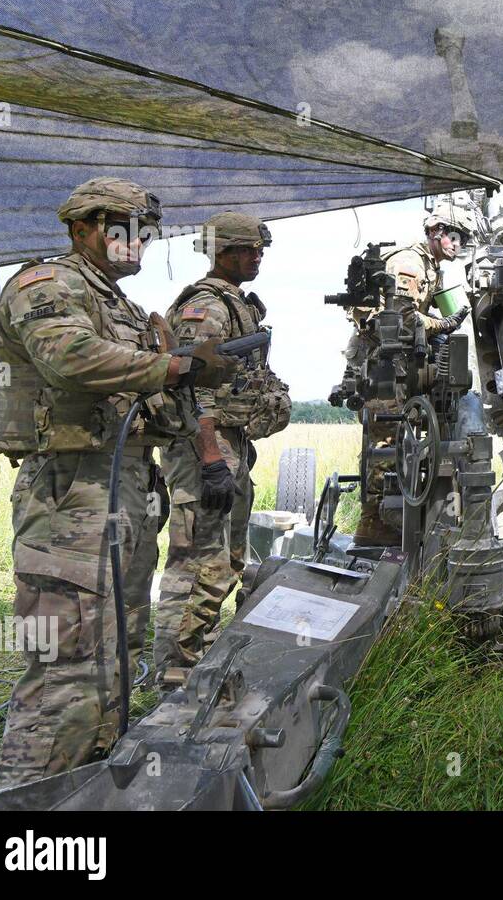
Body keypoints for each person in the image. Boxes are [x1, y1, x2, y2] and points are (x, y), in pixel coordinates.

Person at [0, 178, 235, 786]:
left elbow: (151, 405)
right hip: (71, 494)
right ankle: (27, 808)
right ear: (81, 229)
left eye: (144, 233)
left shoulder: (124, 310)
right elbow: (66, 359)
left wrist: (185, 382)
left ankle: (94, 792)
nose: (137, 243)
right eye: (121, 228)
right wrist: (170, 364)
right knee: (66, 665)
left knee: (118, 649)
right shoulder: (44, 284)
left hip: (124, 490)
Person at [154, 212, 290, 689]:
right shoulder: (206, 307)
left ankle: (197, 668)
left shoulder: (236, 304)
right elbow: (192, 388)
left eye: (259, 250)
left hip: (230, 444)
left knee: (227, 560)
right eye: (249, 249)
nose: (257, 258)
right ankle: (175, 677)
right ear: (224, 251)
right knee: (197, 564)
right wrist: (211, 456)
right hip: (205, 447)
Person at [344, 207, 472, 546]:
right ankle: (374, 529)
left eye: (461, 240)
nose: (457, 245)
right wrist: (442, 324)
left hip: (396, 360)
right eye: (454, 236)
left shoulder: (431, 268)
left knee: (394, 442)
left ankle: (396, 524)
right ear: (435, 232)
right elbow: (400, 318)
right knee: (385, 444)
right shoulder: (411, 264)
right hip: (384, 363)